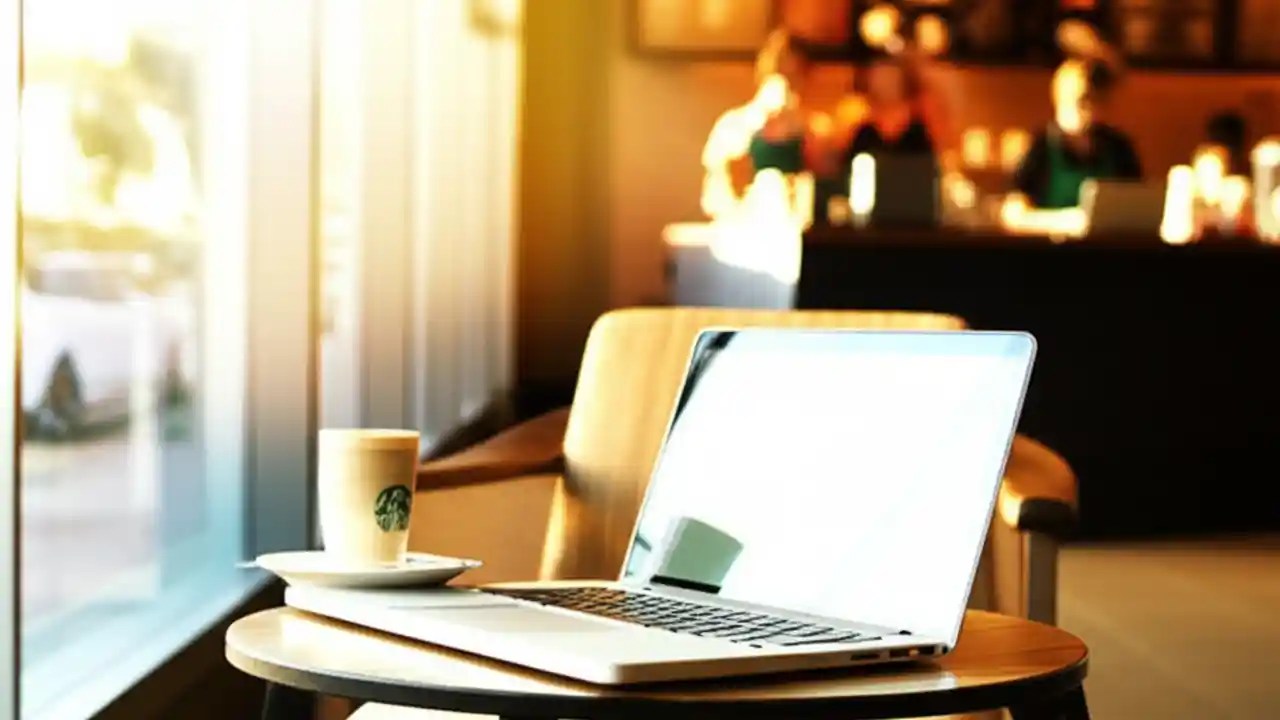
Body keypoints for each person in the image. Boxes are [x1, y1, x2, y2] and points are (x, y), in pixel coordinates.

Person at [700, 29, 838, 222]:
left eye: (793, 76)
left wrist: (804, 131)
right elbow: (715, 197)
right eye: (778, 71)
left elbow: (829, 191)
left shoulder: (820, 128)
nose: (785, 83)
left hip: (802, 236)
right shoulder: (733, 125)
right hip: (743, 230)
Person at [1008, 25, 1141, 213]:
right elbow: (1013, 212)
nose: (1085, 111)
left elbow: (1138, 204)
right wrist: (1063, 222)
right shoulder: (1041, 147)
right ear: (1058, 100)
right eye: (1078, 102)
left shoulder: (1118, 147)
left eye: (1092, 102)